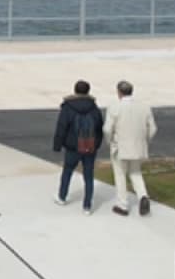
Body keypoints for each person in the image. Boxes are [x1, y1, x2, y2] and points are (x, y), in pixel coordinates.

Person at [103, 79, 157, 216]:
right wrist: (145, 141)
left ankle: (122, 205)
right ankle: (143, 196)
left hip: (120, 148)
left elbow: (108, 129)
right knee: (135, 173)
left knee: (120, 175)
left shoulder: (115, 107)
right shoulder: (144, 107)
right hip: (138, 147)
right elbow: (153, 129)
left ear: (119, 92)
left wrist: (109, 142)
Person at [51, 80, 103, 212]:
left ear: (75, 90)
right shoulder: (94, 108)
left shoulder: (68, 107)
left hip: (73, 147)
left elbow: (61, 127)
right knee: (88, 175)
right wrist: (96, 144)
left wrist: (57, 145)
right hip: (90, 147)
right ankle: (87, 206)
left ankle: (62, 197)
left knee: (67, 172)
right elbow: (99, 128)